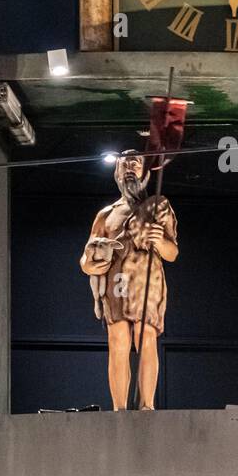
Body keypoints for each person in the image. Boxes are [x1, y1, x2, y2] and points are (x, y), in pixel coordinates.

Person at [80, 151, 179, 410]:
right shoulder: (106, 214)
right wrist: (92, 263)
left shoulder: (158, 208)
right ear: (117, 173)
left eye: (135, 163)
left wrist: (159, 241)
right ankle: (119, 408)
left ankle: (147, 405)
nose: (130, 168)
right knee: (118, 340)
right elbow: (86, 258)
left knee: (146, 338)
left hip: (147, 281)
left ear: (145, 172)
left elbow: (172, 253)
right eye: (124, 165)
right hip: (117, 282)